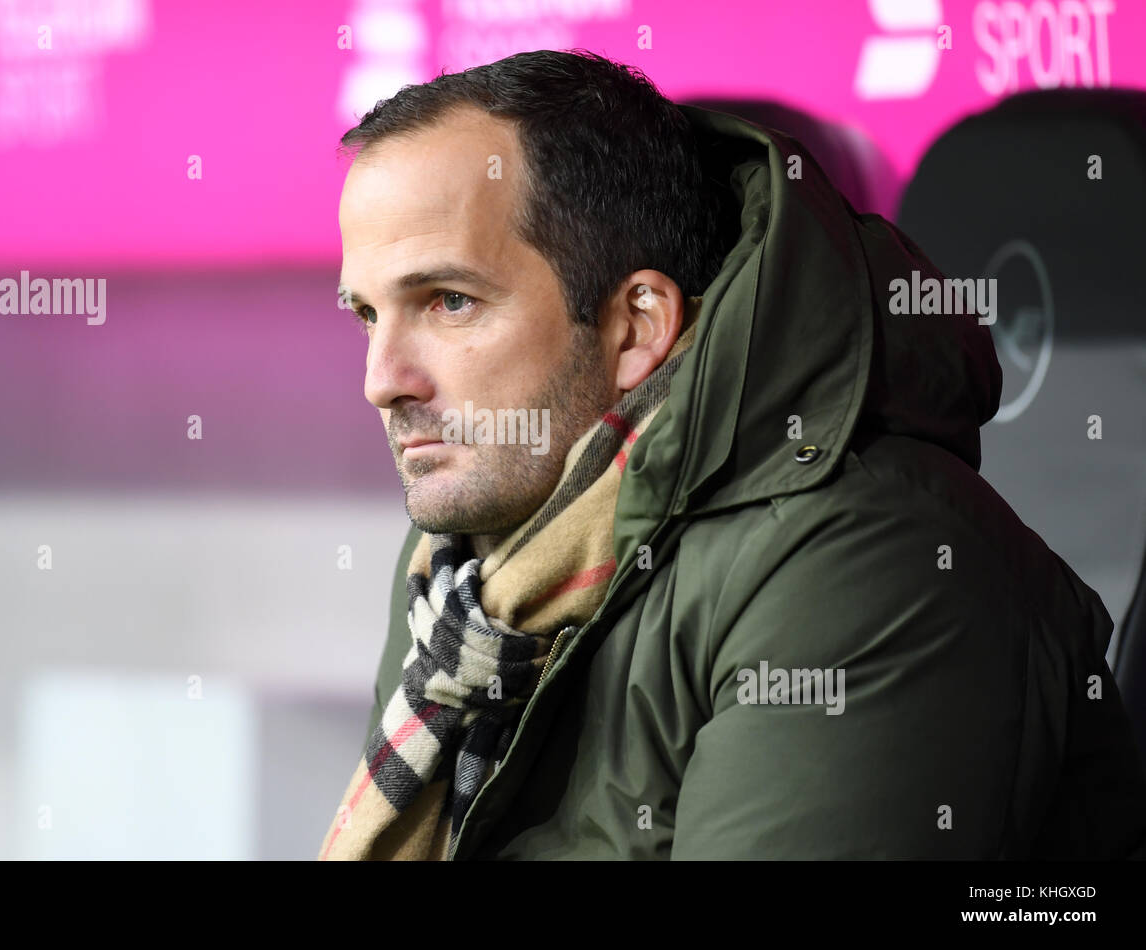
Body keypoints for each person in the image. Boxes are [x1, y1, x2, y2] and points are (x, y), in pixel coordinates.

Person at [319, 49, 1146, 860]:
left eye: (449, 301)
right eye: (368, 315)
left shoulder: (868, 565)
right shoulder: (458, 570)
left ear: (636, 327)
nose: (380, 381)